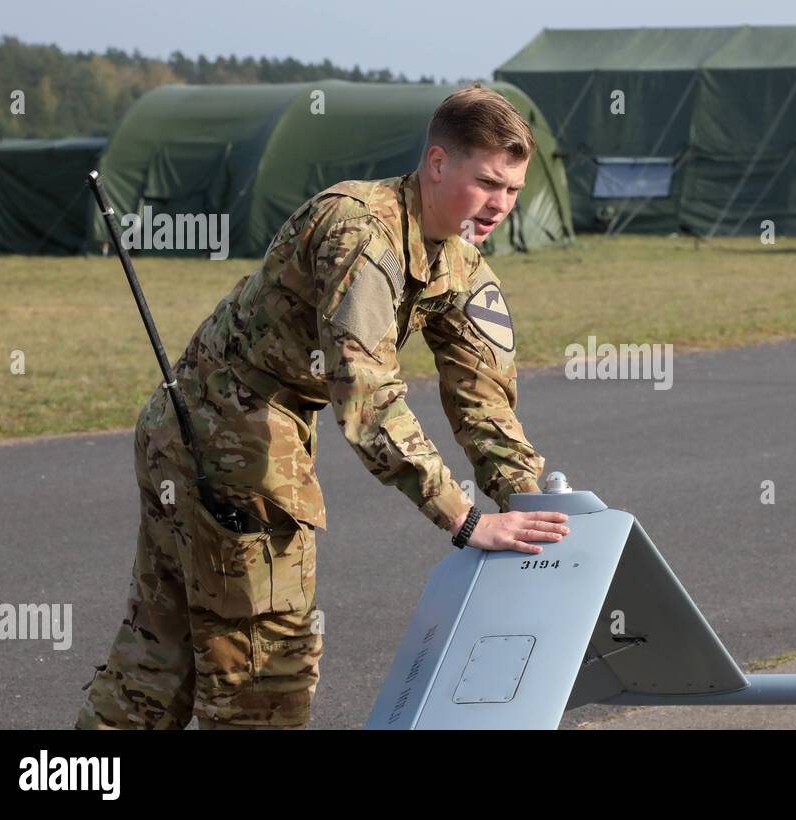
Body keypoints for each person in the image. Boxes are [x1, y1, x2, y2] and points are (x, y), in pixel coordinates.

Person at [76, 83, 569, 730]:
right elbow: (364, 392)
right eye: (486, 183)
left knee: (160, 658)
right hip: (229, 436)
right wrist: (465, 519)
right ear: (438, 162)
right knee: (265, 669)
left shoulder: (460, 260)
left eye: (512, 189)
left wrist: (529, 506)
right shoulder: (364, 235)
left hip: (213, 424)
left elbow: (484, 399)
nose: (500, 204)